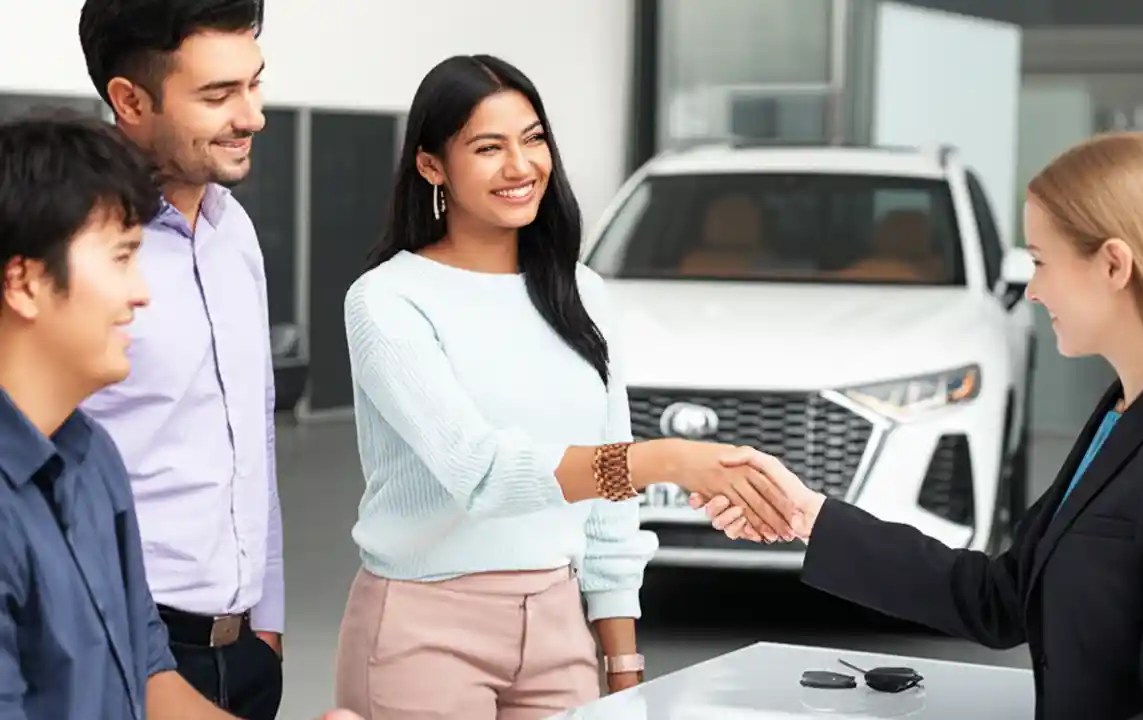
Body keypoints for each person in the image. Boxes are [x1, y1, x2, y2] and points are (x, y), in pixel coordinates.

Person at [692, 131, 1143, 720]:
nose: (1032, 289)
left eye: (1042, 262)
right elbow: (998, 597)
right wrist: (808, 514)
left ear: (1113, 264)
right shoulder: (1122, 413)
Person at [332, 54, 796, 720]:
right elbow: (482, 473)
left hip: (558, 623)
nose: (521, 166)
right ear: (432, 166)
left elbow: (611, 514)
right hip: (422, 630)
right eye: (488, 147)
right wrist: (664, 459)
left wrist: (623, 664)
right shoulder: (387, 301)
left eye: (533, 138)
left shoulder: (583, 295)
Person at [0, 115, 364, 720]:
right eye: (121, 259)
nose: (141, 293)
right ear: (25, 281)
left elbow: (149, 679)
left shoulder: (92, 462)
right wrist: (586, 471)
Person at [77, 2, 284, 717]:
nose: (252, 115)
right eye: (218, 95)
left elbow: (253, 430)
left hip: (247, 646)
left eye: (254, 84)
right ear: (129, 100)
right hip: (123, 642)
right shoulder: (70, 243)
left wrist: (269, 617)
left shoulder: (236, 231)